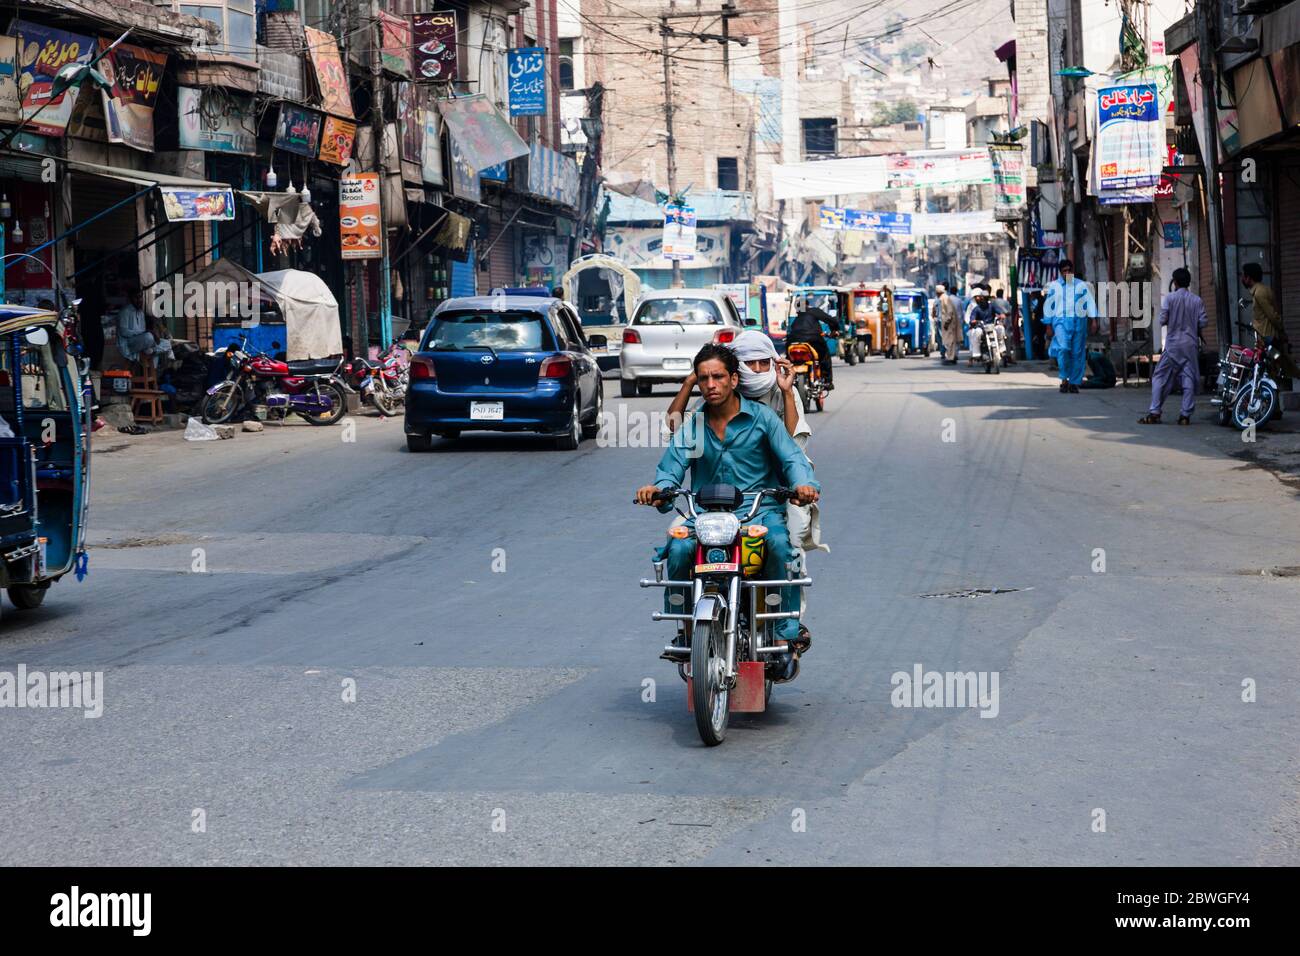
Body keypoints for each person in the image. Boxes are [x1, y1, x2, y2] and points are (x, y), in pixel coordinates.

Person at [637, 343, 820, 678]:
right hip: (705, 516)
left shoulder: (762, 419)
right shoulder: (694, 425)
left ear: (734, 379)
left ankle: (783, 632)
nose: (711, 385)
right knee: (677, 549)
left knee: (780, 547)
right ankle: (688, 630)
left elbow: (792, 458)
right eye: (704, 378)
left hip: (759, 512)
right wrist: (657, 490)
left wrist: (804, 485)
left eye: (718, 377)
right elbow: (671, 468)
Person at [1138, 268, 1206, 425]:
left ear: (1174, 282)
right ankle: (1185, 415)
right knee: (1188, 378)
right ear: (1188, 282)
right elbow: (1203, 322)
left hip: (1173, 345)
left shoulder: (1169, 299)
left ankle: (1155, 411)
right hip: (1190, 345)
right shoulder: (1197, 300)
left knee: (1159, 377)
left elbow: (1162, 320)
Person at [1043, 258, 1097, 392]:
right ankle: (1064, 378)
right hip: (1060, 322)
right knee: (1064, 349)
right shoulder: (1054, 287)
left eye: (1069, 270)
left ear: (1072, 271)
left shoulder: (1081, 285)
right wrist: (1048, 325)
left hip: (1079, 321)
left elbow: (1089, 303)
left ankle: (1074, 382)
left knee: (1077, 352)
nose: (1067, 273)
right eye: (1064, 271)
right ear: (1060, 272)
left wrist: (1094, 320)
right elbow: (1049, 306)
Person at [1241, 262, 1300, 382]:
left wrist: (1282, 332)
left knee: (1277, 367)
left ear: (1249, 278)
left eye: (1244, 276)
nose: (1242, 279)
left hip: (1267, 337)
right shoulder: (1261, 290)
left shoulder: (1259, 293)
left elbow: (1272, 316)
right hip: (1266, 337)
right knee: (1279, 366)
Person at [785, 304, 834, 389]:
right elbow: (831, 320)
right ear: (808, 305)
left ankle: (787, 377)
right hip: (813, 339)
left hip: (793, 340)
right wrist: (835, 330)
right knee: (825, 356)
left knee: (788, 358)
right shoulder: (814, 311)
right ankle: (827, 381)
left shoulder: (796, 320)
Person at [965, 287, 996, 365]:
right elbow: (969, 316)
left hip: (989, 326)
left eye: (980, 296)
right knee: (975, 336)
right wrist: (971, 322)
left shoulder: (990, 305)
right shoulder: (973, 306)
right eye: (977, 296)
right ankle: (974, 356)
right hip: (977, 326)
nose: (979, 298)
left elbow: (997, 312)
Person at [937, 283, 962, 364]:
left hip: (949, 323)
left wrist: (947, 322)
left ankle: (951, 358)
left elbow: (950, 311)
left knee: (950, 341)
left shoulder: (945, 299)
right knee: (949, 341)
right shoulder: (943, 298)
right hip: (947, 323)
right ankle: (951, 356)